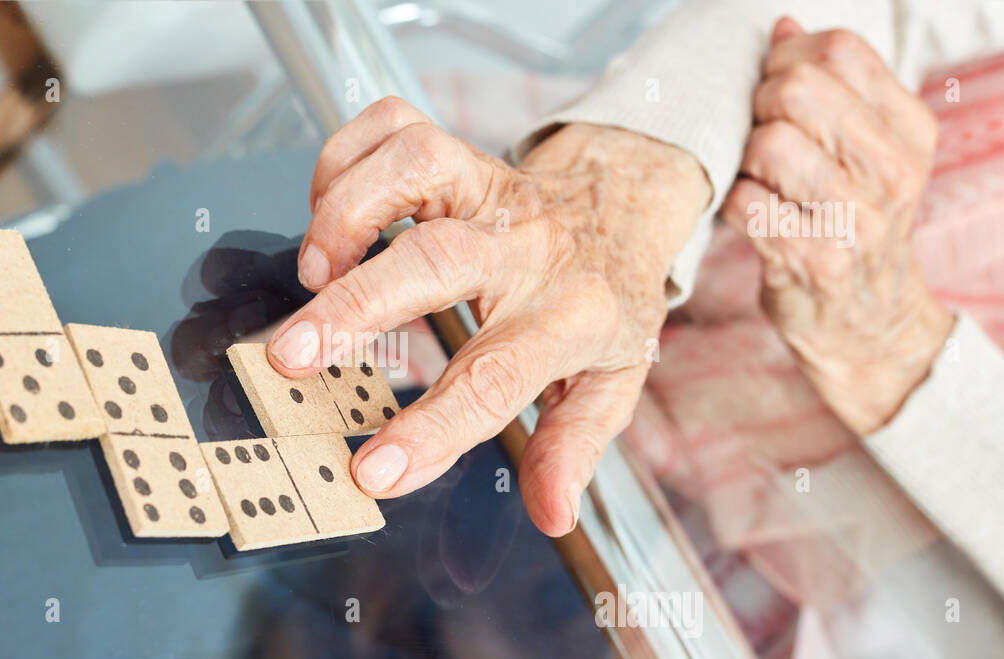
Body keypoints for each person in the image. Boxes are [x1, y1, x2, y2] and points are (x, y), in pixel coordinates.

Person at [263, 1, 1004, 585]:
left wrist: (900, 345)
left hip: (735, 566)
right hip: (553, 219)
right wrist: (626, 189)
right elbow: (880, 13)